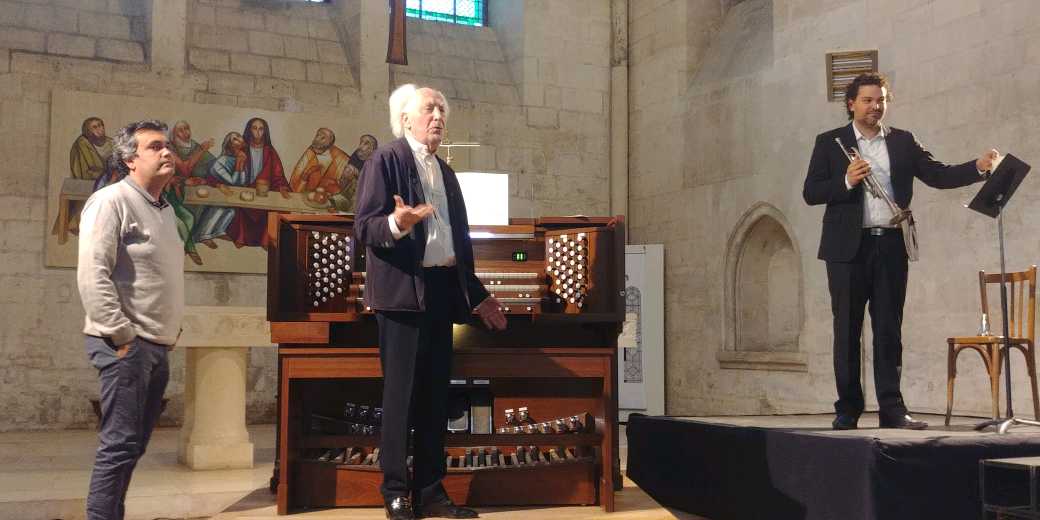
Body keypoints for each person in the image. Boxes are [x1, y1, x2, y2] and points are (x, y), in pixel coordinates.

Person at [803, 73, 999, 431]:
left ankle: (893, 409)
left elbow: (938, 175)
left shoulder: (903, 141)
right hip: (846, 250)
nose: (875, 106)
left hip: (891, 244)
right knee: (847, 330)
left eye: (880, 100)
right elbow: (811, 192)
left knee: (889, 330)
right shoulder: (830, 143)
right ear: (851, 104)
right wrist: (846, 180)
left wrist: (978, 168)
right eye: (867, 100)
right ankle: (847, 408)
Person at [354, 84, 507, 520]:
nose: (438, 115)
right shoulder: (385, 160)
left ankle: (431, 492)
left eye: (442, 107)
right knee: (401, 399)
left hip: (440, 295)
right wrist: (396, 223)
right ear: (406, 118)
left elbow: (456, 246)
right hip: (402, 295)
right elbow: (364, 228)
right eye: (429, 108)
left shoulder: (447, 172)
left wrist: (479, 297)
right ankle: (396, 494)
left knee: (435, 399)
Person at [77, 120, 184, 520]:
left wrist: (169, 332)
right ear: (129, 158)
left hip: (155, 344)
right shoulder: (111, 201)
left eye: (167, 145)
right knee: (119, 444)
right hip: (127, 344)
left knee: (133, 446)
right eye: (155, 146)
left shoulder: (165, 209)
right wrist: (122, 336)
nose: (167, 152)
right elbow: (93, 274)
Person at [167, 120, 216, 265]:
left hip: (187, 187)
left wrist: (206, 179)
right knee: (187, 217)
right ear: (174, 135)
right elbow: (184, 169)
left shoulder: (194, 145)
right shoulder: (170, 149)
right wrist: (202, 149)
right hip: (172, 192)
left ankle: (199, 236)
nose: (185, 133)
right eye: (180, 130)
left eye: (186, 128)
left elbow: (211, 163)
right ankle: (189, 247)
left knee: (203, 206)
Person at [288, 127, 351, 194]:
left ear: (330, 143)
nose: (317, 139)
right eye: (317, 135)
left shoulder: (341, 158)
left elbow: (345, 184)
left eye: (323, 138)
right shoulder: (310, 152)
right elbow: (296, 177)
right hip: (306, 196)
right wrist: (307, 175)